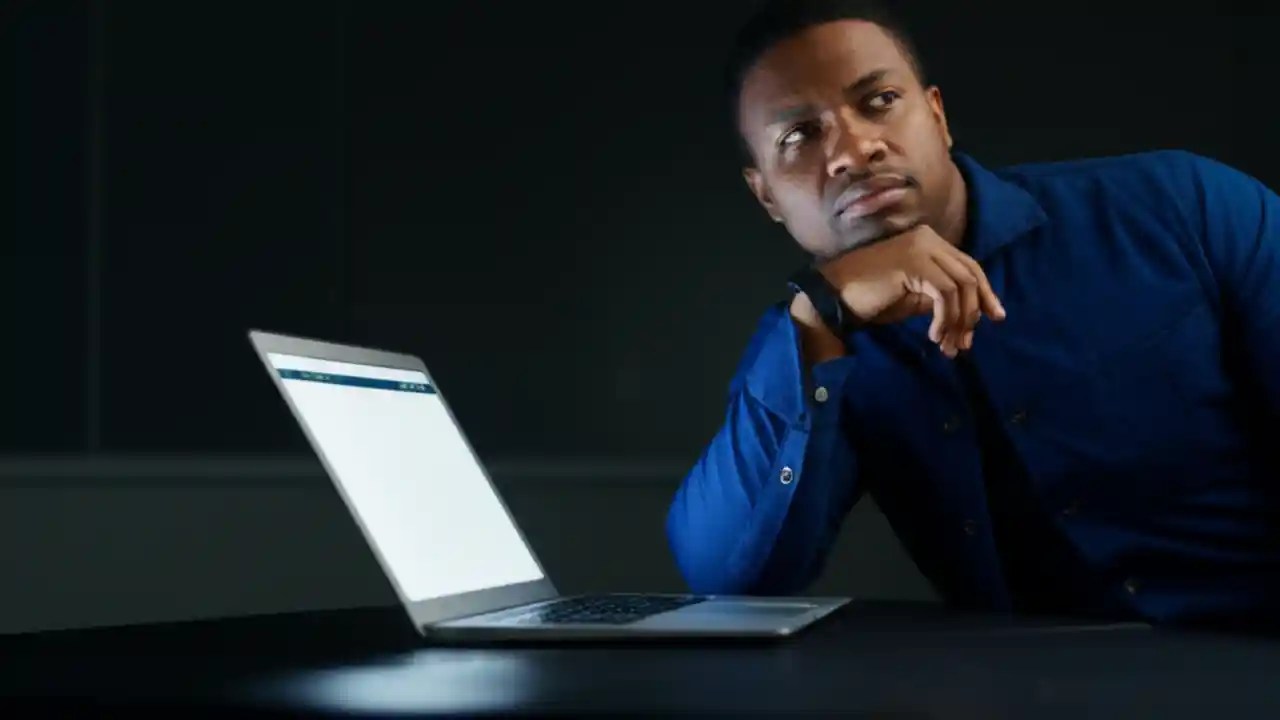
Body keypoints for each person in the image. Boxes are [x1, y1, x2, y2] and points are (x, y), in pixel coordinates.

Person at [665, 0, 1280, 629]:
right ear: (766, 195)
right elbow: (726, 578)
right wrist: (818, 313)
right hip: (1027, 679)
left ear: (937, 116)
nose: (855, 149)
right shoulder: (811, 340)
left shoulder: (1186, 209)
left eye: (879, 101)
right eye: (799, 136)